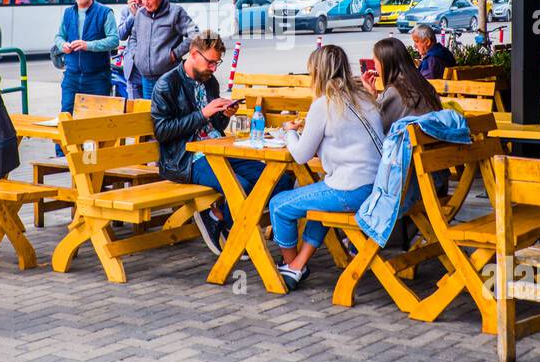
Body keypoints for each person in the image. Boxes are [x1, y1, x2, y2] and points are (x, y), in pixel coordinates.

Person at [150, 31, 290, 255]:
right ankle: (235, 234)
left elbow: (214, 127)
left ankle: (220, 218)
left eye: (217, 63)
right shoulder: (167, 84)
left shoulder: (210, 81)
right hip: (185, 158)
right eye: (211, 62)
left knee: (280, 180)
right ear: (193, 54)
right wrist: (203, 114)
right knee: (241, 187)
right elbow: (162, 132)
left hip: (218, 149)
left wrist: (224, 114)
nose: (214, 68)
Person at [270, 45, 384, 291]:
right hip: (376, 186)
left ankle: (290, 266)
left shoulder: (324, 104)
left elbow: (301, 155)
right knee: (319, 203)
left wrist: (289, 132)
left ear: (318, 73)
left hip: (352, 190)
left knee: (278, 205)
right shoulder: (364, 97)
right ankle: (298, 264)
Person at [53, 0, 118, 116]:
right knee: (66, 116)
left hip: (98, 77)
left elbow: (114, 40)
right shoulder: (68, 13)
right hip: (71, 76)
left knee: (98, 119)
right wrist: (63, 45)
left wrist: (88, 45)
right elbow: (59, 36)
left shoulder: (105, 12)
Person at [127, 0, 199, 99]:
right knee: (149, 110)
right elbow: (134, 37)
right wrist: (135, 54)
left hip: (169, 76)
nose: (145, 3)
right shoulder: (140, 13)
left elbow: (195, 35)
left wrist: (174, 54)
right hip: (146, 79)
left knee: (169, 109)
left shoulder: (175, 12)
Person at [363, 36, 442, 129]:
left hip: (410, 138)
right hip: (435, 136)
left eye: (375, 62)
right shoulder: (424, 84)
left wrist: (371, 98)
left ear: (384, 64)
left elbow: (374, 127)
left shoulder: (395, 91)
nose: (375, 67)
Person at [117, 0, 144, 99]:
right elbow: (121, 35)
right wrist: (132, 15)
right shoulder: (126, 10)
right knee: (134, 106)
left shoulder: (153, 8)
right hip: (132, 69)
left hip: (150, 68)